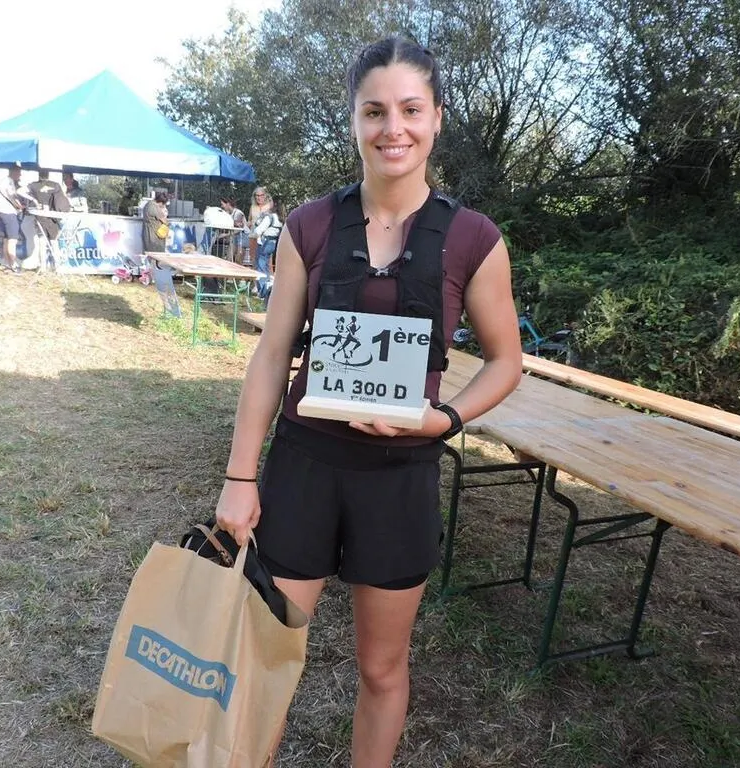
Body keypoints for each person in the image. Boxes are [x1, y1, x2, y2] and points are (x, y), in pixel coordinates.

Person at [214, 37, 522, 767]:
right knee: (263, 655)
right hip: (305, 466)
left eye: (411, 110)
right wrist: (239, 475)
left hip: (400, 478)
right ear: (352, 120)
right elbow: (271, 355)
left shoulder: (475, 238)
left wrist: (444, 418)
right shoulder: (311, 226)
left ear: (437, 118)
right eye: (375, 111)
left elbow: (508, 361)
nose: (394, 128)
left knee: (382, 669)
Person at [0, 165, 24, 272]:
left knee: (6, 240)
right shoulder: (9, 182)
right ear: (13, 172)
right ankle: (14, 265)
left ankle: (7, 265)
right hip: (9, 213)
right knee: (13, 240)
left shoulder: (2, 181)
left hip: (1, 212)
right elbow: (12, 196)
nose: (20, 175)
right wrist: (19, 206)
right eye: (19, 172)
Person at [141, 190, 169, 254]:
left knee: (148, 255)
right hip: (155, 238)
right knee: (156, 256)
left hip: (148, 235)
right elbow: (164, 221)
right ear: (161, 202)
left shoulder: (148, 204)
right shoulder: (154, 207)